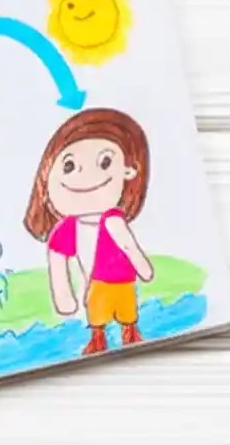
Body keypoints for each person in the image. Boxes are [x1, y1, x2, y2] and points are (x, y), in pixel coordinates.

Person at [24, 108, 154, 354]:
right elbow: (57, 259)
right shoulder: (69, 228)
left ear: (129, 171)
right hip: (97, 283)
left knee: (126, 309)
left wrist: (142, 266)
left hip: (123, 279)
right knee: (97, 309)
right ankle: (98, 337)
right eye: (70, 165)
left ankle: (130, 331)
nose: (84, 175)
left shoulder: (114, 219)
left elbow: (128, 246)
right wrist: (64, 296)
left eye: (105, 162)